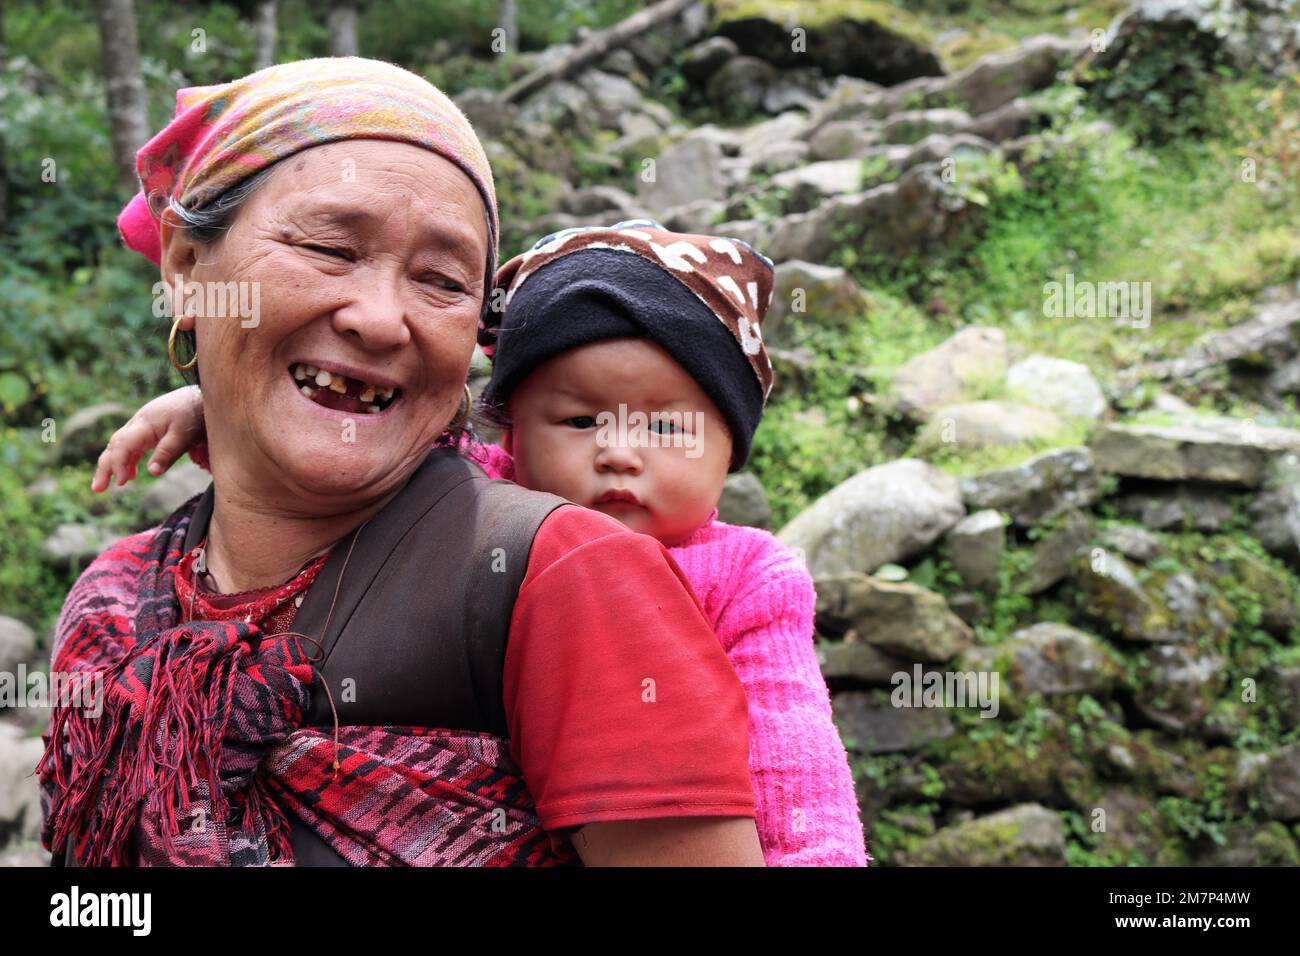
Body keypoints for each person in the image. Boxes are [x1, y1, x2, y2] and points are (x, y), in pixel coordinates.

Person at [38, 56, 763, 867]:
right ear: (185, 267)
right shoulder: (112, 605)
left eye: (443, 281)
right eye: (329, 247)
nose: (383, 321)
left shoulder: (566, 579)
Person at [94, 221, 870, 866]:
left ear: (730, 451)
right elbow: (346, 443)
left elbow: (794, 764)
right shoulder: (483, 505)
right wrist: (210, 405)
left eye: (666, 427)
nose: (621, 452)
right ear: (513, 433)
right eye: (580, 421)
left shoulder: (748, 578)